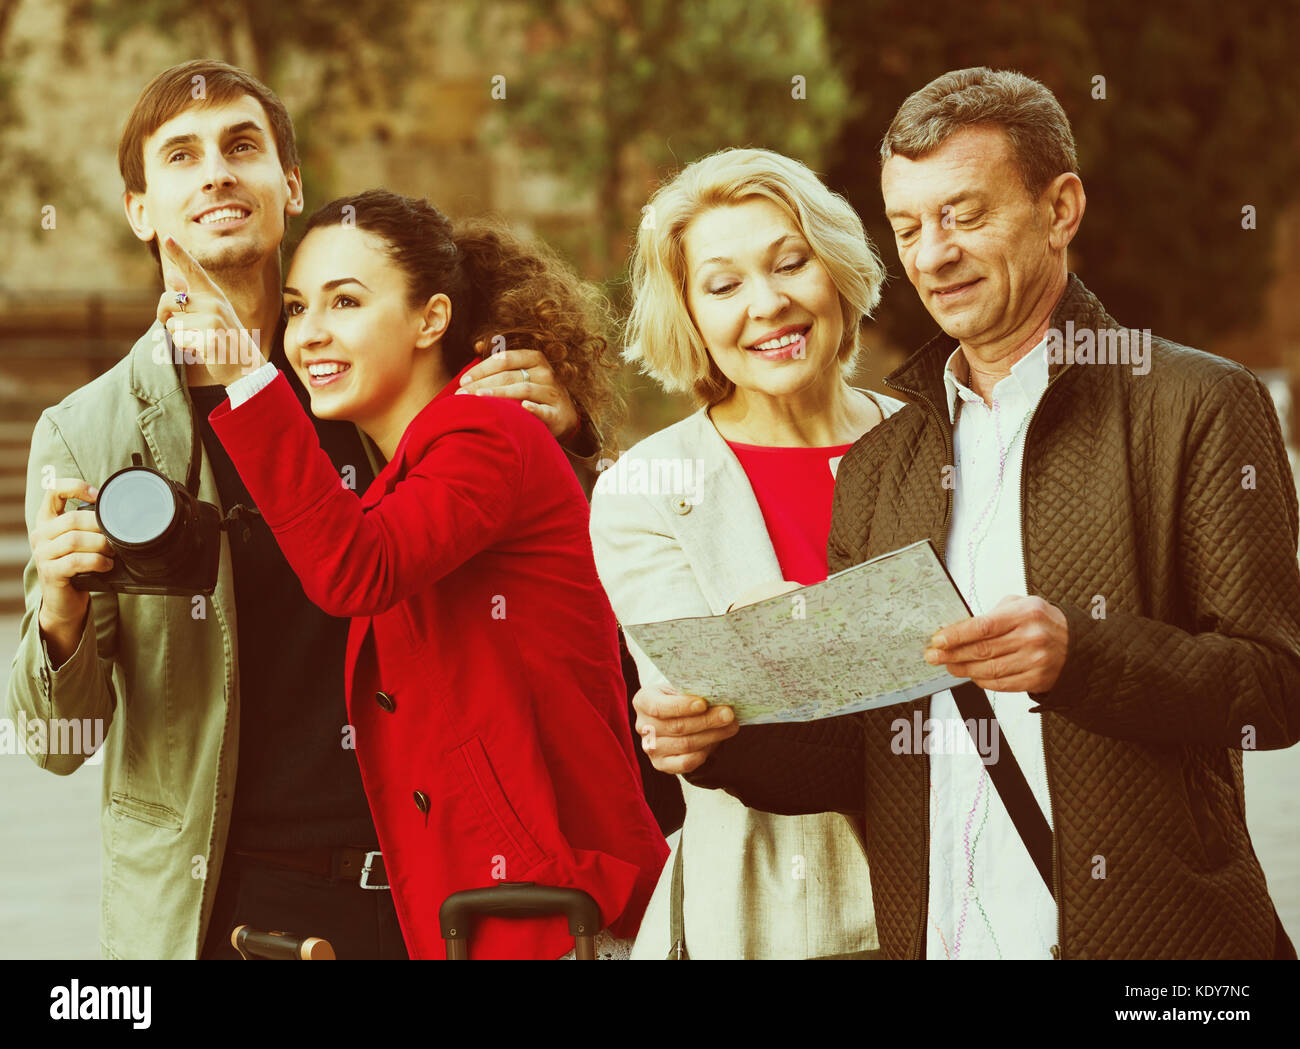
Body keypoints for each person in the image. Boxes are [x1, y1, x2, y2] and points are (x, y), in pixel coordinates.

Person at [641, 67, 1300, 959]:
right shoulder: (882, 463)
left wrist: (1080, 655)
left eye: (966, 214)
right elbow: (863, 750)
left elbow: (1275, 686)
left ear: (1061, 208)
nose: (933, 254)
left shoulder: (1195, 403)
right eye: (909, 227)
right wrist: (715, 741)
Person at [6, 60, 604, 960]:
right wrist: (58, 609)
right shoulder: (87, 431)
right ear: (141, 210)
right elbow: (54, 743)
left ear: (289, 186)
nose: (216, 171)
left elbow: (545, 567)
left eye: (241, 146)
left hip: (437, 884)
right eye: (182, 156)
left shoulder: (382, 371)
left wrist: (568, 439)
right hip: (228, 904)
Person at [168, 187, 667, 959]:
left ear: (432, 319)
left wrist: (247, 378)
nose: (309, 335)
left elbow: (354, 570)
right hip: (483, 909)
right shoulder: (414, 466)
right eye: (297, 308)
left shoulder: (487, 432)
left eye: (346, 302)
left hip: (556, 906)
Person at [588, 147, 904, 958]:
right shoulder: (646, 489)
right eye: (723, 285)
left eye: (790, 263)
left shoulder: (933, 441)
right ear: (689, 317)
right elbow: (731, 728)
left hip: (964, 893)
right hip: (765, 915)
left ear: (835, 272)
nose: (767, 304)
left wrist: (782, 651)